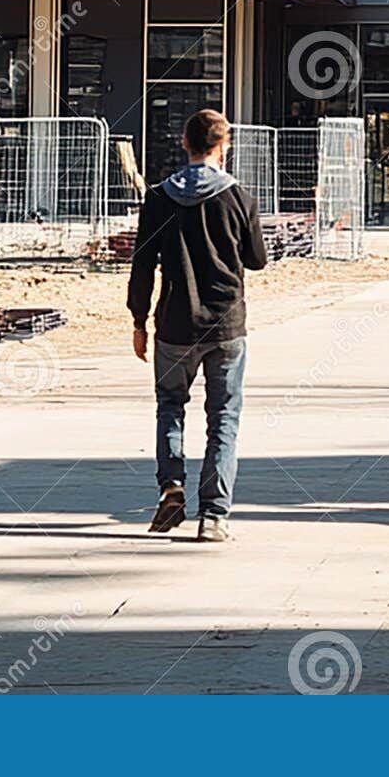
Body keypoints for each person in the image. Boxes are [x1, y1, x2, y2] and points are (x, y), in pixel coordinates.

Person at [127, 108, 266, 543]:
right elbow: (256, 259)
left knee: (170, 406)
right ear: (224, 147)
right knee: (223, 415)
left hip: (174, 322)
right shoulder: (238, 196)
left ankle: (171, 485)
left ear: (185, 144)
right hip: (226, 325)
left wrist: (138, 319)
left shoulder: (159, 197)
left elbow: (142, 265)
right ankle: (214, 515)